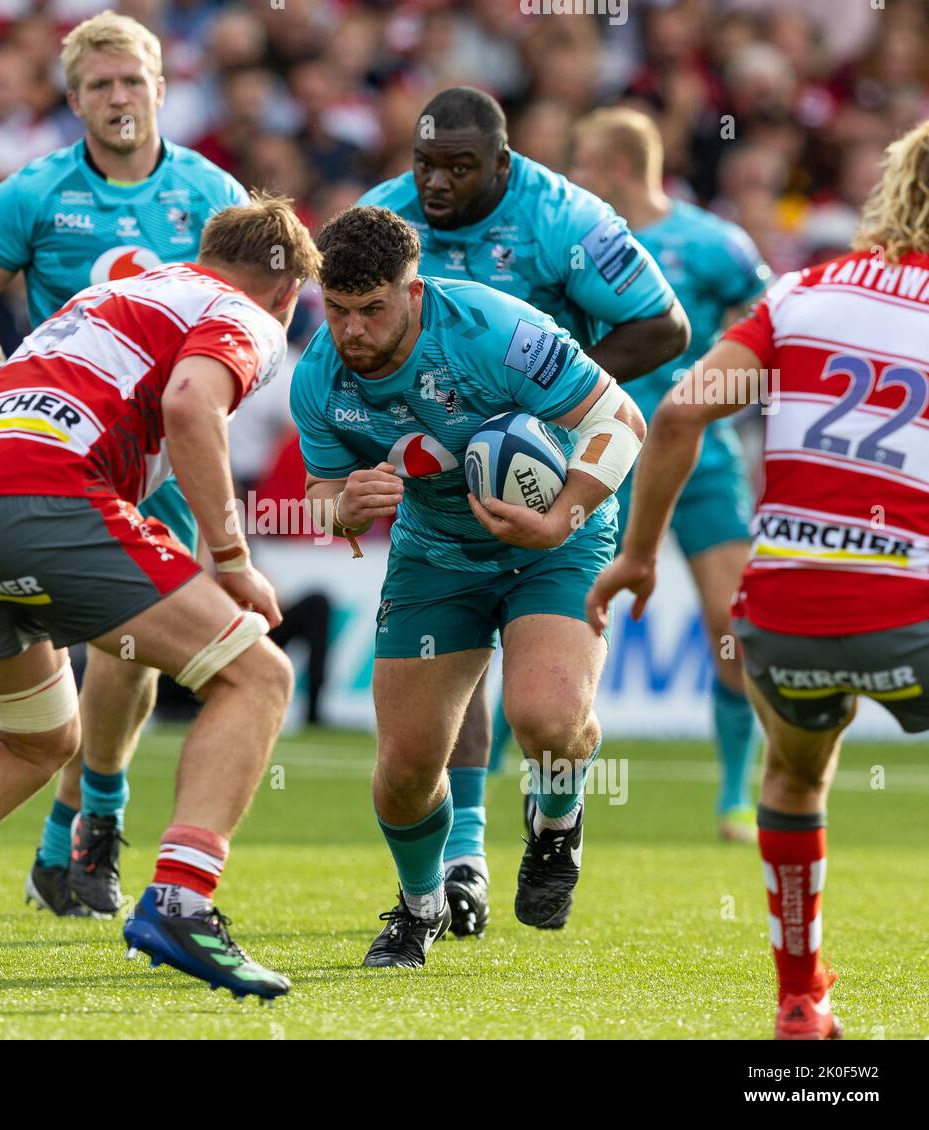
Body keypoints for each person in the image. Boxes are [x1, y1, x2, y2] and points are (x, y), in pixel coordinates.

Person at [0, 193, 320, 1001]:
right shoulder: (245, 311)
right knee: (257, 675)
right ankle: (183, 900)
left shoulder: (99, 299)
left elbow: (6, 406)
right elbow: (191, 405)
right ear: (287, 290)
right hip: (49, 496)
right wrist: (232, 556)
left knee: (37, 742)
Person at [586, 120, 929, 1039]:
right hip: (914, 608)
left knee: (792, 778)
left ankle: (801, 999)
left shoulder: (802, 294)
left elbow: (676, 418)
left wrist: (639, 553)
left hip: (786, 614)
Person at [0, 10, 248, 919]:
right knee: (69, 644)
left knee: (129, 641)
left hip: (163, 451)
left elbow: (256, 305)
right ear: (75, 100)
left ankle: (91, 823)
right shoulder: (32, 193)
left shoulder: (212, 192)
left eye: (132, 81)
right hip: (58, 448)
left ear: (161, 86)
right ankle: (80, 828)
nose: (119, 98)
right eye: (100, 86)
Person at [358, 86, 687, 933]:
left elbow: (664, 327)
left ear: (503, 164)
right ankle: (462, 858)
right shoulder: (385, 222)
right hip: (441, 492)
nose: (436, 183)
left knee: (547, 713)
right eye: (425, 163)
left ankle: (555, 816)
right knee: (446, 681)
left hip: (555, 469)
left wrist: (536, 412)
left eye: (459, 168)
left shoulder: (567, 218)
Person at [292, 206, 646, 967]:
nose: (351, 330)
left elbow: (620, 419)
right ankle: (419, 908)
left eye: (372, 310)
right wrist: (343, 507)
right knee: (406, 770)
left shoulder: (495, 329)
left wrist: (561, 517)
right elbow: (321, 491)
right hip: (436, 555)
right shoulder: (319, 375)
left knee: (547, 718)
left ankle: (557, 823)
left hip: (558, 543)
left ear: (413, 292)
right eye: (338, 309)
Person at [569, 107, 772, 841]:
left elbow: (769, 319)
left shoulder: (715, 243)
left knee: (734, 628)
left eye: (585, 161)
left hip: (700, 461)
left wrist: (727, 381)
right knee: (553, 612)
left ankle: (733, 799)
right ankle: (500, 763)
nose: (575, 175)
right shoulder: (578, 245)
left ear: (620, 168)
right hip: (600, 454)